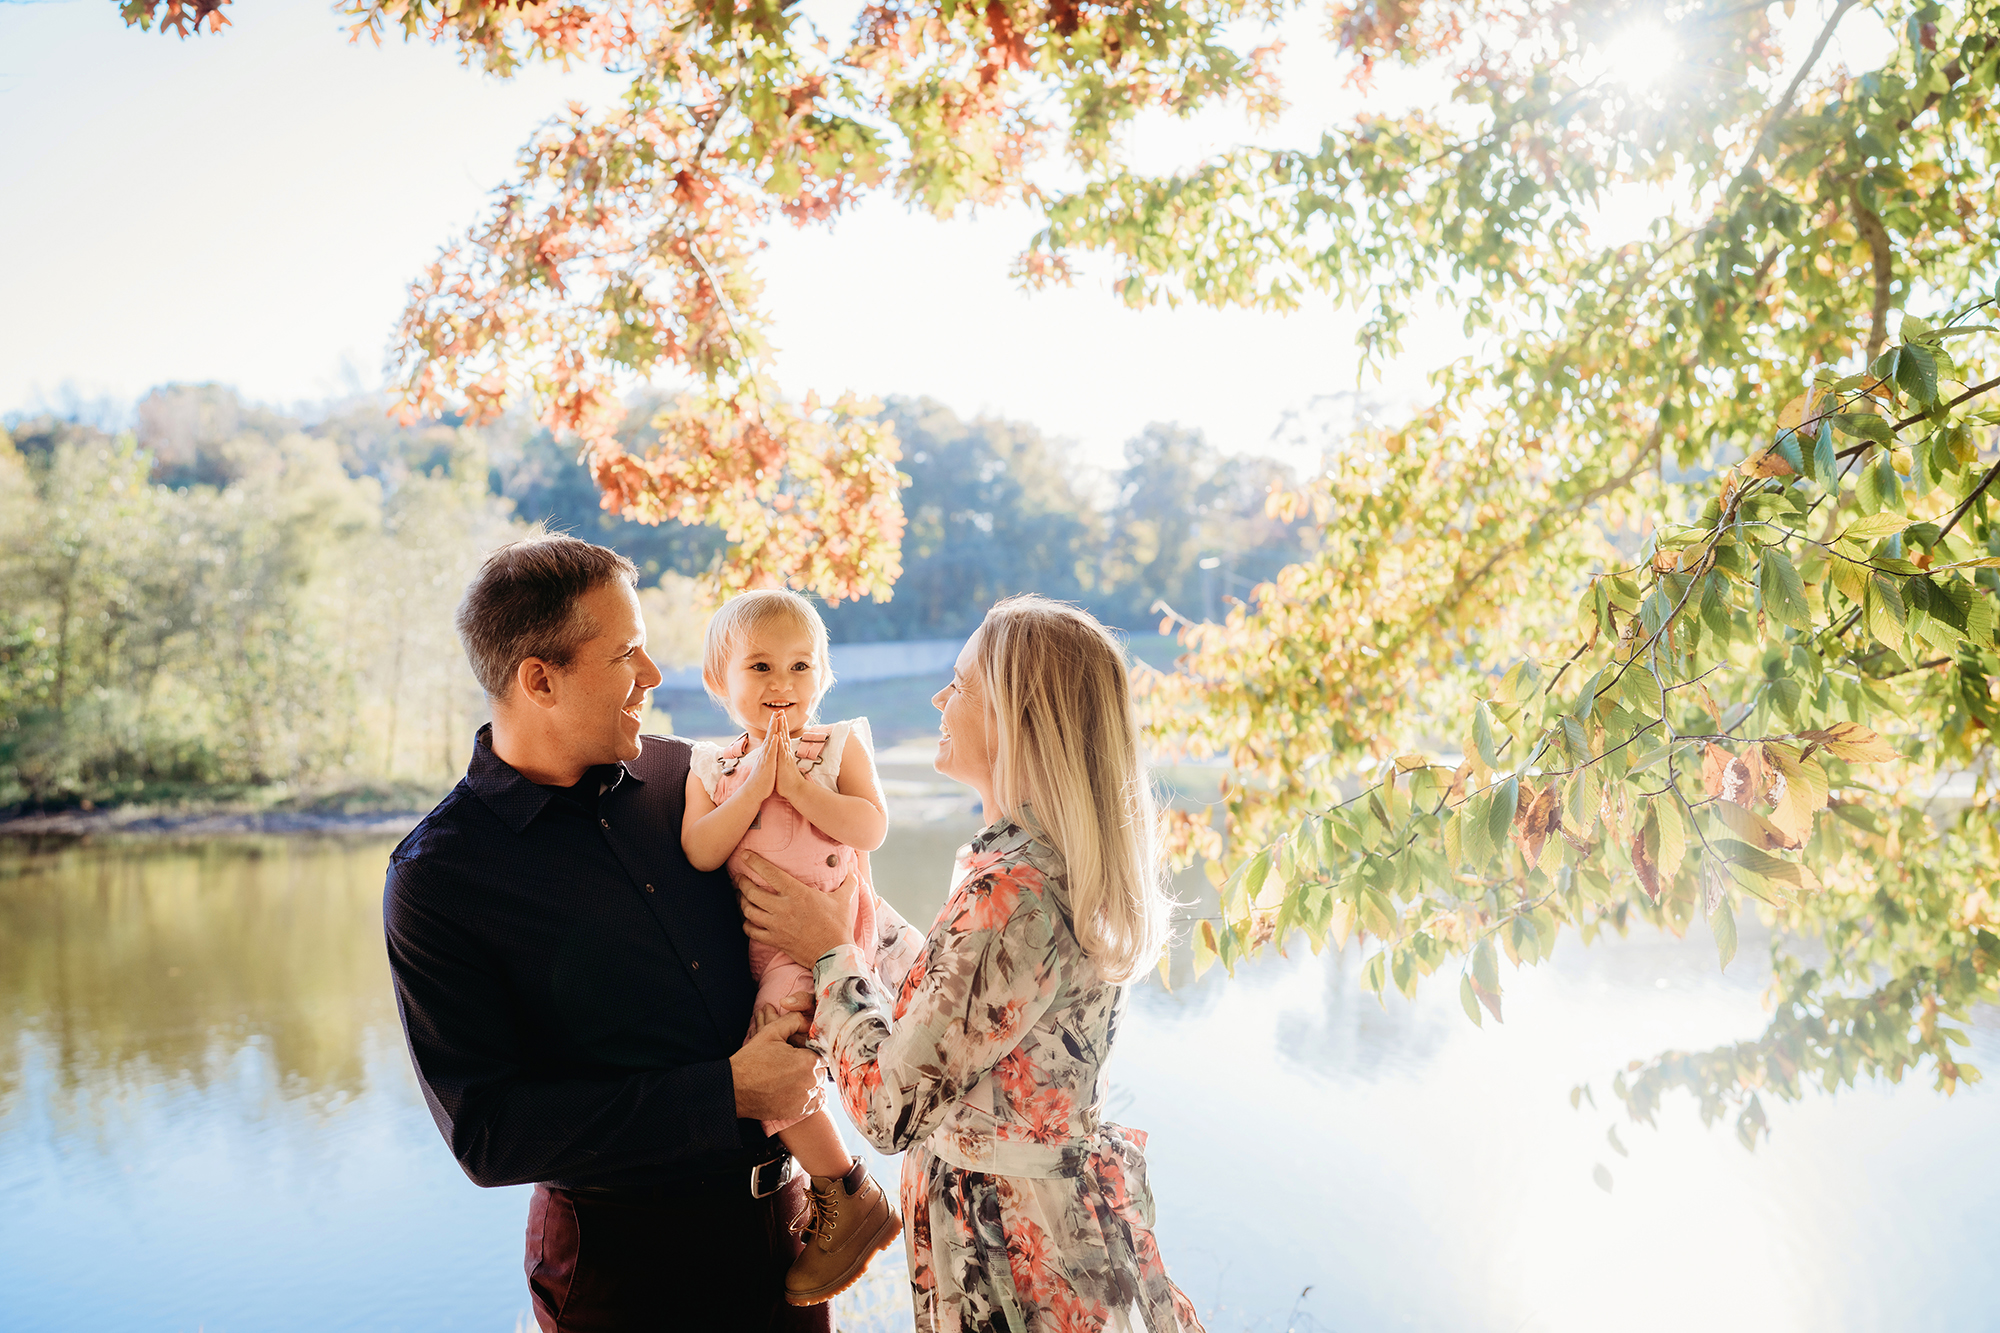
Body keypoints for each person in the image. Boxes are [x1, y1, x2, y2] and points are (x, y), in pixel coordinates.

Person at [382, 532, 831, 1333]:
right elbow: (489, 1134)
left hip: (785, 1245)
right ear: (539, 679)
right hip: (624, 1279)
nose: (654, 678)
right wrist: (724, 1091)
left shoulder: (688, 779)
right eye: (628, 653)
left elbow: (821, 901)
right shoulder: (440, 877)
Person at [740, 594, 1207, 1332]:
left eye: (959, 684)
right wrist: (848, 908)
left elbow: (890, 1107)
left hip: (1014, 1262)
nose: (937, 697)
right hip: (1052, 1236)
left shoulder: (1011, 890)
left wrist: (830, 954)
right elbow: (957, 1001)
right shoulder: (1036, 860)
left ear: (1014, 717)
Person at [681, 589, 913, 1305]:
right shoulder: (711, 765)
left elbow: (869, 826)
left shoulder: (839, 746)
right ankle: (837, 1187)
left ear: (824, 678)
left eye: (800, 665)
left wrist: (799, 788)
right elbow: (699, 848)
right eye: (760, 666)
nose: (783, 683)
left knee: (772, 1062)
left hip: (822, 936)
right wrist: (756, 786)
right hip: (760, 947)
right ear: (720, 683)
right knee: (769, 1051)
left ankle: (848, 1191)